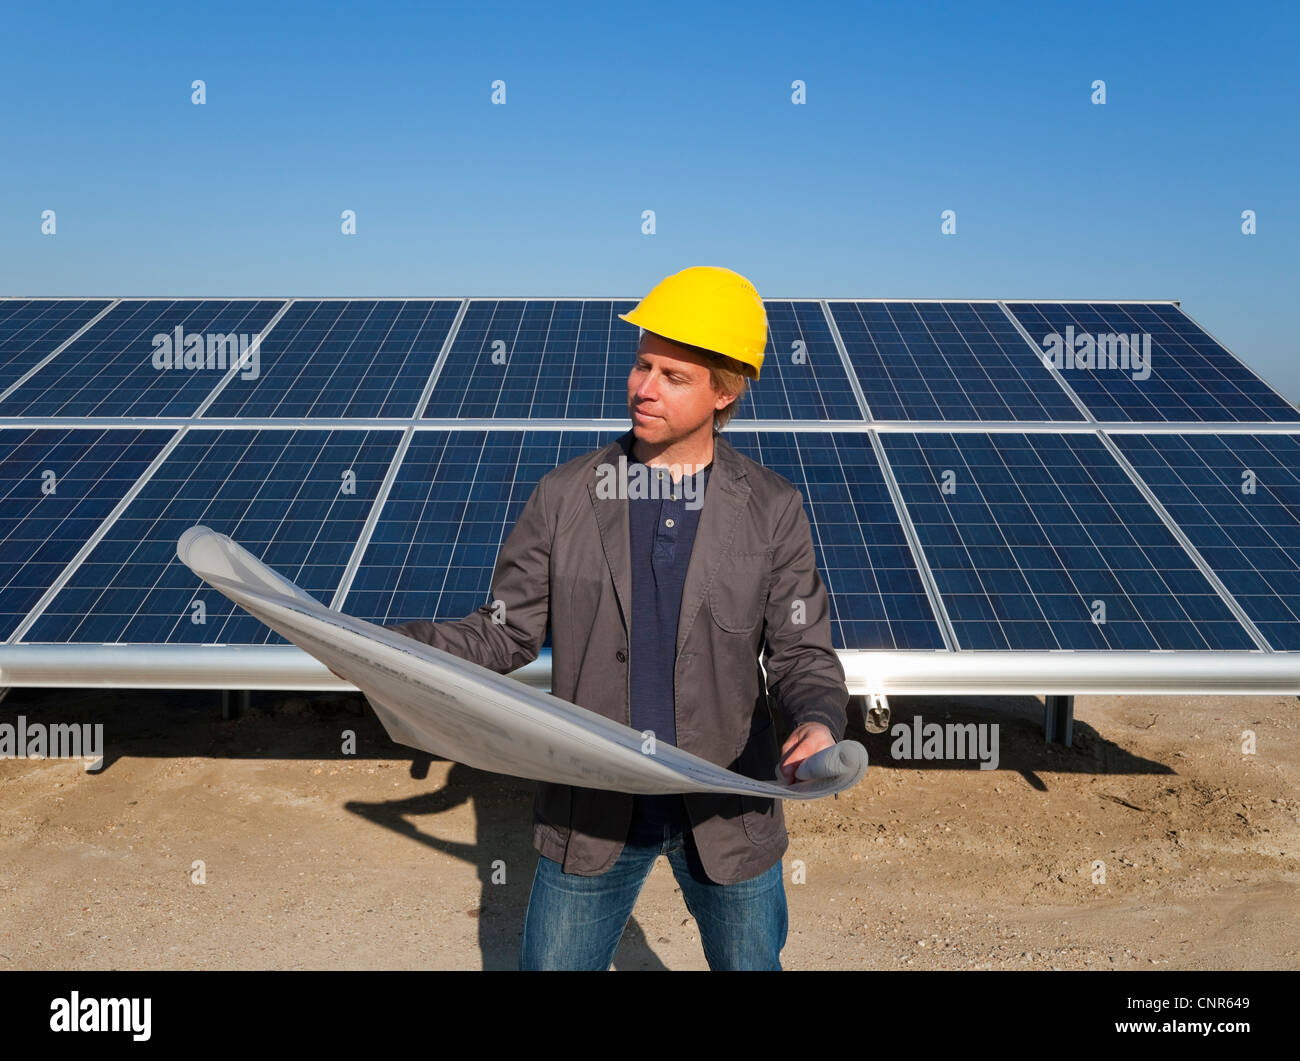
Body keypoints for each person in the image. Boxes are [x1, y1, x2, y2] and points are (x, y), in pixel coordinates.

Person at [366, 266, 849, 970]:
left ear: (725, 390)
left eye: (673, 375)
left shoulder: (772, 510)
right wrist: (386, 647)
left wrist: (818, 719)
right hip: (591, 807)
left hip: (723, 806)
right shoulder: (565, 496)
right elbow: (505, 631)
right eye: (642, 364)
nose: (643, 386)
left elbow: (802, 653)